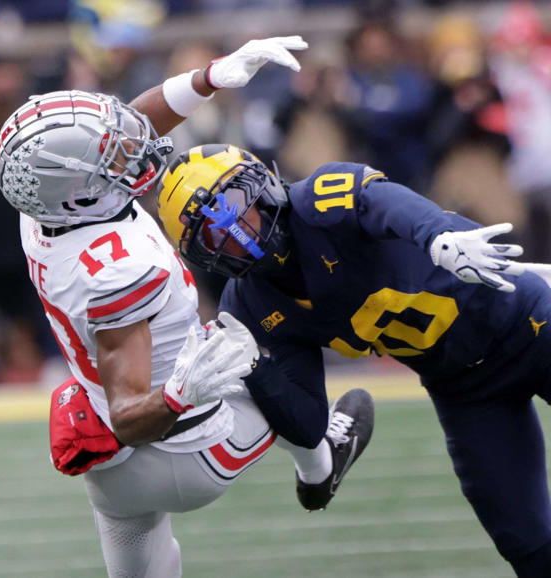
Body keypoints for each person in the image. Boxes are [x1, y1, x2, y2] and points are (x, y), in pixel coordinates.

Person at [0, 36, 374, 577]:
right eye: (109, 154)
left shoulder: (41, 209)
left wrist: (210, 77)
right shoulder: (123, 270)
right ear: (78, 190)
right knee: (272, 320)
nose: (129, 147)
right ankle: (321, 463)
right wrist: (178, 394)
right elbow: (130, 416)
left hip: (111, 472)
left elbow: (133, 124)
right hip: (190, 451)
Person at [157, 138, 551, 575]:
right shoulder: (248, 306)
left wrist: (438, 234)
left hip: (530, 323)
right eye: (215, 234)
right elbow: (308, 424)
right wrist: (255, 370)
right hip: (464, 388)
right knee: (526, 541)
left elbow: (381, 201)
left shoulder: (320, 199)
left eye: (234, 208)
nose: (238, 234)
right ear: (202, 255)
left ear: (260, 185)